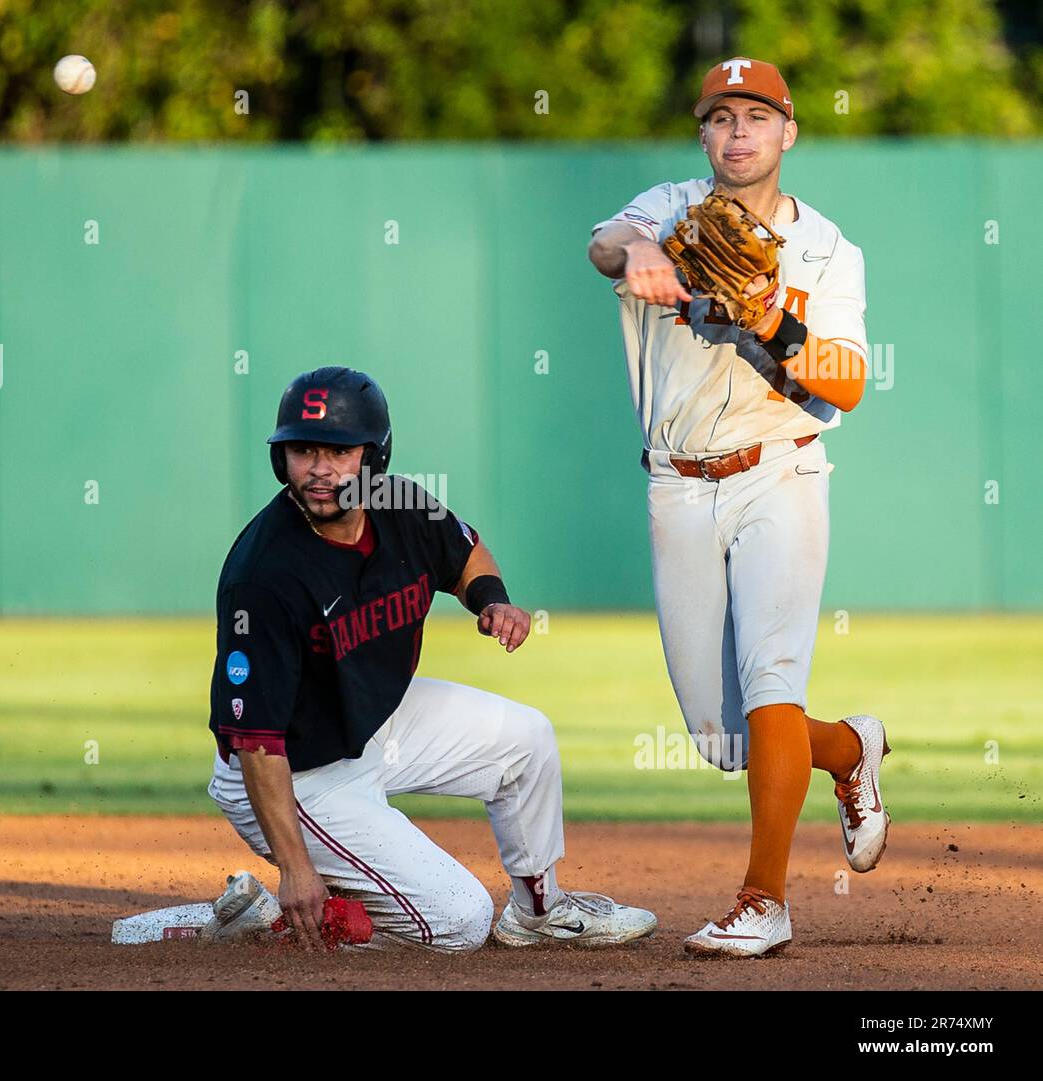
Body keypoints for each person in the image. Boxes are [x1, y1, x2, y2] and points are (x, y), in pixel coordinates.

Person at [587, 57, 890, 958]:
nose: (739, 131)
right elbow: (606, 239)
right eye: (721, 117)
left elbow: (849, 381)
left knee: (771, 681)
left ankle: (764, 898)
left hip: (780, 472)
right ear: (705, 134)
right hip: (677, 481)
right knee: (727, 737)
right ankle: (847, 750)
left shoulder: (831, 249)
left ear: (788, 132)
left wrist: (771, 320)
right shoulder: (669, 206)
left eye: (757, 115)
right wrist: (640, 252)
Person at [204, 365, 657, 951]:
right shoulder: (264, 576)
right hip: (294, 776)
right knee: (457, 923)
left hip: (370, 723)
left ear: (375, 459)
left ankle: (539, 912)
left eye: (339, 451)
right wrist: (295, 868)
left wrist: (491, 602)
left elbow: (465, 553)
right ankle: (269, 920)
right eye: (302, 449)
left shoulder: (399, 506)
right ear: (280, 458)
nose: (318, 469)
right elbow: (258, 741)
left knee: (526, 739)